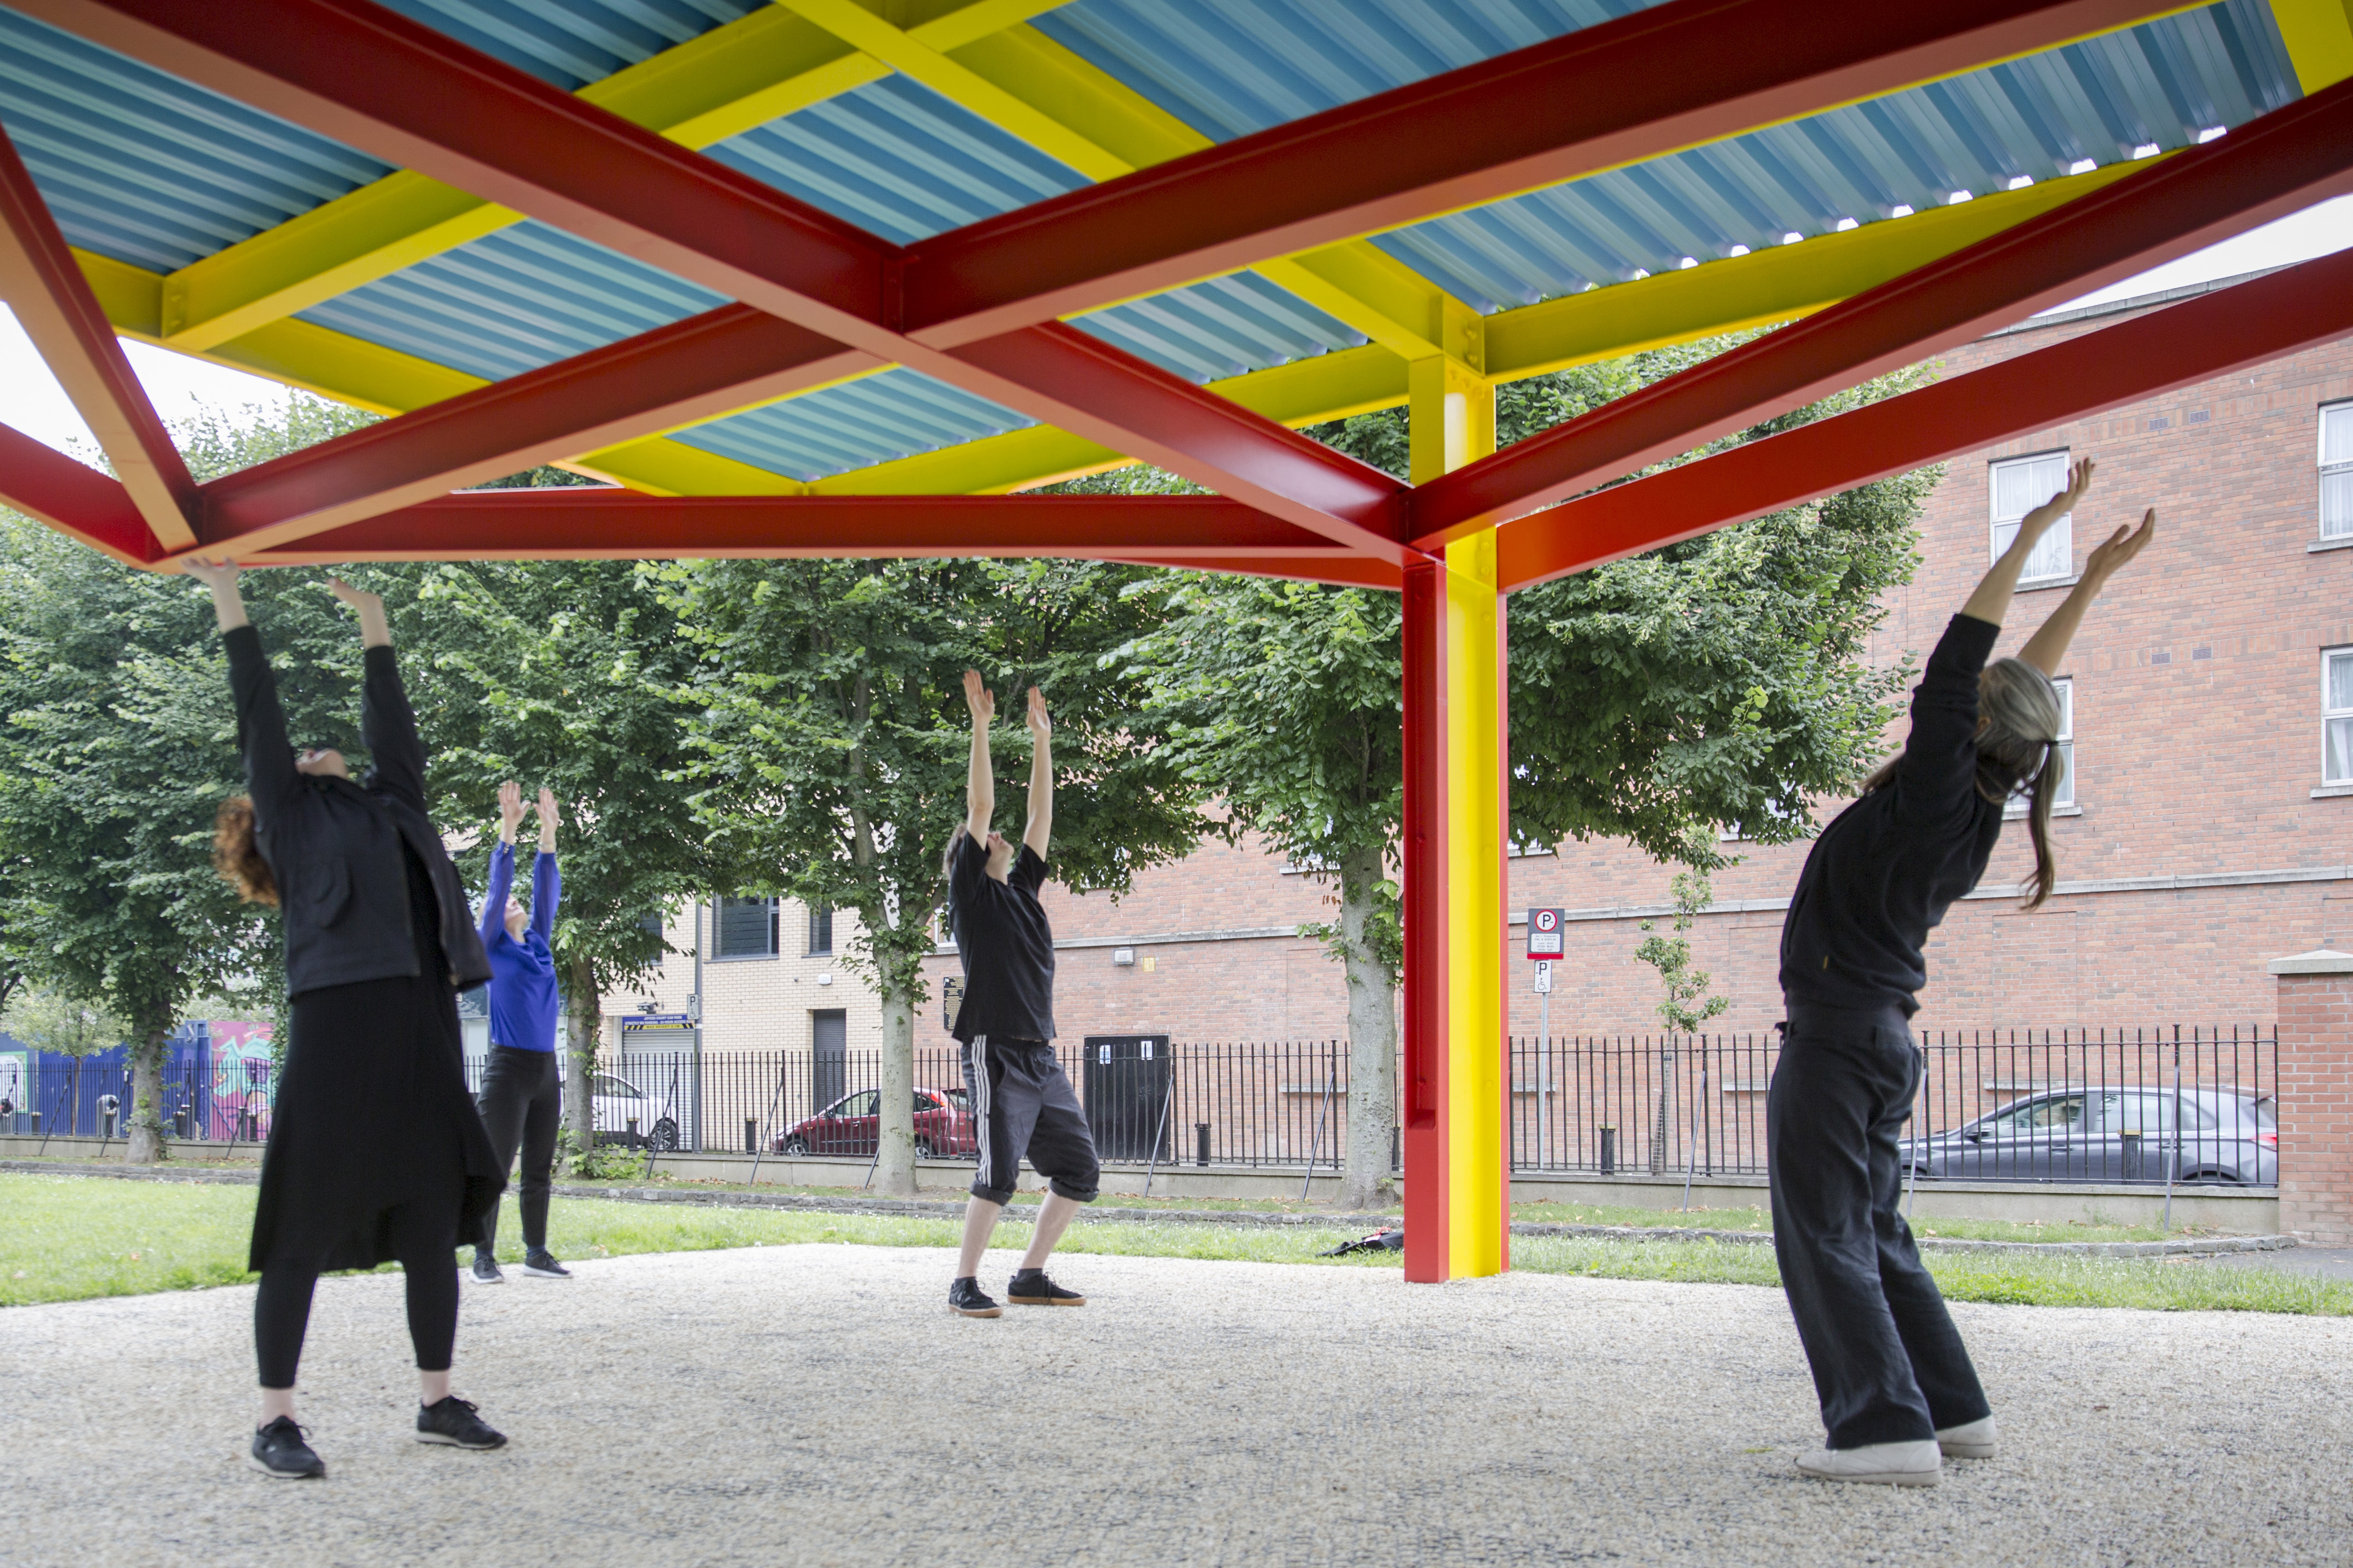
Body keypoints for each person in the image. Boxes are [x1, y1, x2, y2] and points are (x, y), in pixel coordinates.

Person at [1770, 459, 2154, 1487]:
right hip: (1880, 1040)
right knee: (1876, 1228)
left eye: (1964, 709)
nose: (1953, 708)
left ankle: (1881, 1430)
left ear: (1969, 731)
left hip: (1843, 1038)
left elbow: (1962, 667)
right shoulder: (1978, 799)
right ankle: (1953, 1412)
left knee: (1825, 1231)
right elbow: (2015, 693)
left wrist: (2033, 536)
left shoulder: (1943, 795)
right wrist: (2091, 581)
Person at [189, 560, 510, 1481]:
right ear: (279, 793)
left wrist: (374, 622)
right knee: (299, 1222)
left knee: (428, 1218)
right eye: (296, 756)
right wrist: (228, 593)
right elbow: (259, 709)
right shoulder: (292, 817)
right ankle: (276, 1419)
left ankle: (438, 1399)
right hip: (335, 1020)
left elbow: (396, 734)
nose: (311, 749)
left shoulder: (392, 805)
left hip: (419, 1015)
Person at [943, 670, 1098, 1319]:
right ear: (972, 857)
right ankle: (963, 1282)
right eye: (987, 840)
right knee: (999, 1172)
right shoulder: (973, 899)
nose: (1001, 836)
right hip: (995, 1050)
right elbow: (980, 808)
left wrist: (1042, 740)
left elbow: (1040, 813)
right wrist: (980, 726)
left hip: (1041, 1055)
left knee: (1080, 1170)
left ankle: (1029, 1274)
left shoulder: (1023, 893)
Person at [469, 780, 569, 1285]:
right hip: (508, 1066)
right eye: (504, 903)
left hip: (546, 1069)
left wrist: (548, 833)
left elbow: (546, 888)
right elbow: (495, 891)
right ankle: (483, 1255)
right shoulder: (493, 948)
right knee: (496, 1167)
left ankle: (536, 1251)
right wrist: (509, 830)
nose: (512, 903)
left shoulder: (537, 944)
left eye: (515, 901)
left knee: (538, 1169)